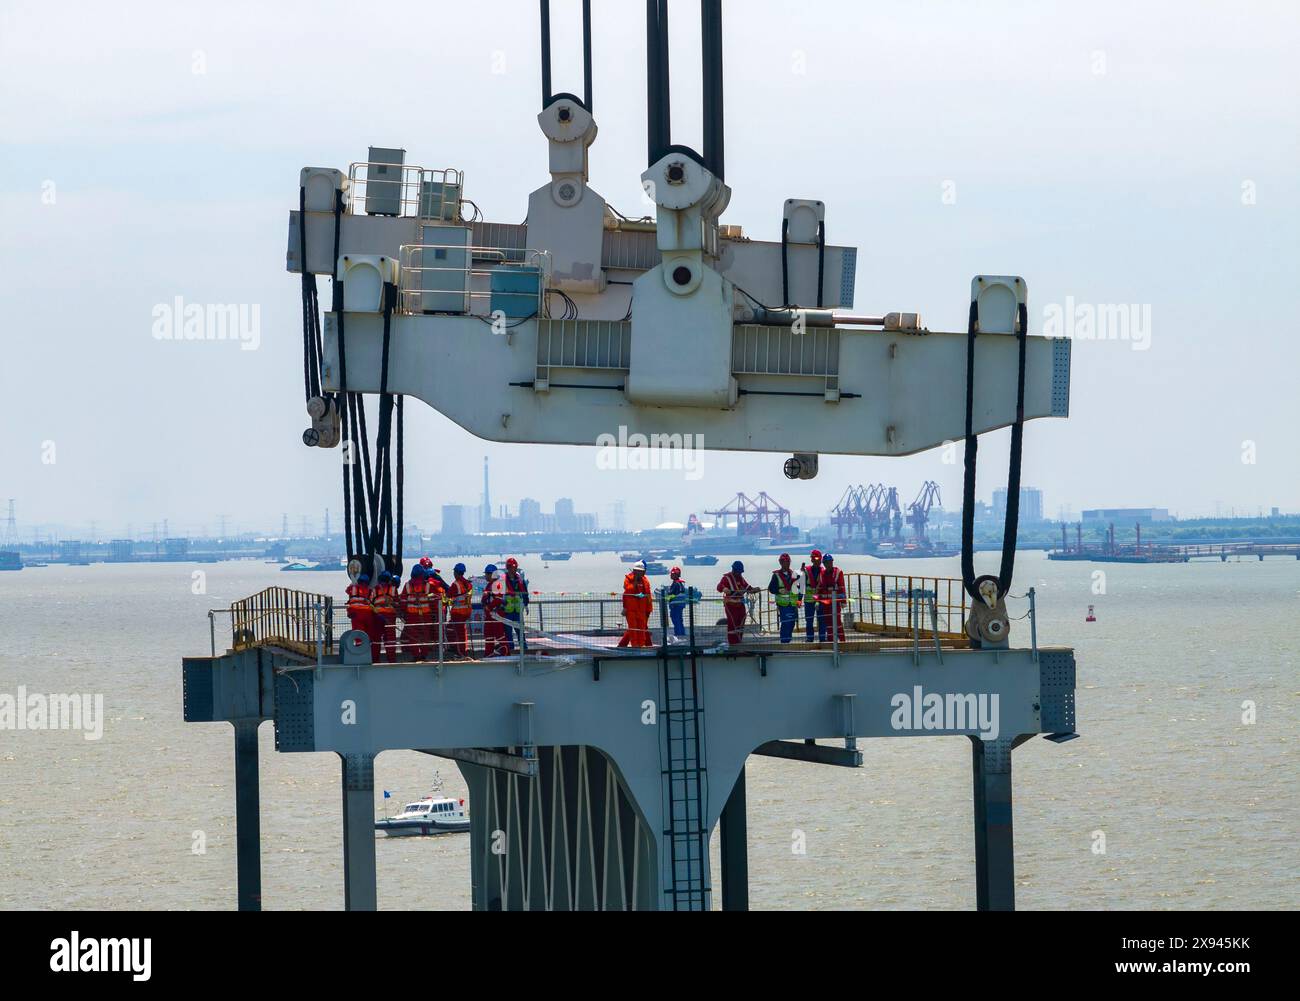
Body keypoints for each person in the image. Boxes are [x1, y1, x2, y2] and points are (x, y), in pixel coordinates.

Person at [717, 560, 757, 646]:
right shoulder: (726, 578)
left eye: (740, 572)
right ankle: (733, 643)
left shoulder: (741, 578)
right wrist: (724, 589)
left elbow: (748, 587)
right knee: (733, 624)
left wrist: (754, 590)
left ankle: (739, 641)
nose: (740, 574)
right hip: (730, 605)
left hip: (740, 605)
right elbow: (719, 586)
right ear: (734, 570)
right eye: (738, 572)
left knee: (741, 622)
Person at [496, 557, 530, 654]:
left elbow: (525, 593)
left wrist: (526, 604)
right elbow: (498, 594)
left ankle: (525, 651)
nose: (513, 569)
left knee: (520, 632)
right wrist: (499, 606)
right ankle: (510, 651)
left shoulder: (520, 580)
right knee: (508, 633)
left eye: (514, 567)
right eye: (511, 567)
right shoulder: (502, 580)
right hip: (507, 611)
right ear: (508, 568)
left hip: (518, 611)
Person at [617, 561, 655, 648]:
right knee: (633, 629)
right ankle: (635, 646)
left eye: (641, 571)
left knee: (642, 629)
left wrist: (649, 608)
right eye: (637, 571)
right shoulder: (628, 579)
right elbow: (628, 590)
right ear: (634, 570)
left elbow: (648, 595)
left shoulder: (645, 581)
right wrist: (634, 581)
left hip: (642, 610)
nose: (639, 573)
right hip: (631, 610)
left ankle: (641, 646)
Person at [768, 553, 802, 643]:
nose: (786, 564)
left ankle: (788, 640)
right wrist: (779, 591)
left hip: (793, 604)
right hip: (783, 604)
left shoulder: (794, 574)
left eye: (788, 562)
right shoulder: (776, 575)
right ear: (780, 563)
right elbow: (771, 588)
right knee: (786, 622)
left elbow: (800, 588)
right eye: (784, 562)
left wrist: (799, 600)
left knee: (792, 623)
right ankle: (784, 642)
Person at [400, 565, 432, 660]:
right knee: (425, 635)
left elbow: (403, 601)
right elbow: (434, 598)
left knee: (413, 636)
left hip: (412, 615)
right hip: (425, 615)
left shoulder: (407, 585)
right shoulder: (427, 585)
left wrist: (403, 613)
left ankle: (416, 655)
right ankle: (424, 655)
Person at [444, 562, 475, 658]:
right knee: (460, 632)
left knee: (456, 632)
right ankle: (460, 650)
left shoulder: (456, 584)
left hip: (458, 613)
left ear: (456, 573)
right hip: (467, 612)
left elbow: (448, 595)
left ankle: (460, 652)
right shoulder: (469, 584)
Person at [816, 553, 847, 643]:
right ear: (824, 564)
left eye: (829, 562)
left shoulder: (838, 572)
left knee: (837, 622)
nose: (828, 564)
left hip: (835, 602)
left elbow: (842, 587)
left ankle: (842, 641)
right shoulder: (822, 573)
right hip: (825, 603)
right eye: (826, 563)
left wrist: (843, 602)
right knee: (828, 623)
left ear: (832, 562)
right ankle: (831, 642)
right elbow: (820, 588)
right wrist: (817, 601)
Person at [346, 572, 378, 659]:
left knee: (358, 634)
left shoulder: (353, 588)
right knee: (369, 634)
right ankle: (369, 653)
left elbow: (347, 590)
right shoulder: (369, 590)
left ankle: (359, 653)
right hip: (367, 614)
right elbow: (372, 601)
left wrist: (353, 583)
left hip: (355, 614)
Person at [481, 563, 510, 657]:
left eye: (486, 574)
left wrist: (488, 607)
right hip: (490, 615)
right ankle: (488, 654)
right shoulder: (490, 585)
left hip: (496, 615)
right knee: (488, 636)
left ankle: (506, 653)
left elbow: (498, 599)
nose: (485, 576)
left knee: (499, 635)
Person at [371, 570, 400, 662]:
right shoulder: (393, 589)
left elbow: (370, 602)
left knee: (376, 638)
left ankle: (375, 659)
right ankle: (391, 659)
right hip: (390, 616)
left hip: (378, 615)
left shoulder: (375, 589)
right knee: (390, 638)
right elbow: (397, 602)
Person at [801, 549, 827, 642]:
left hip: (820, 600)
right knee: (809, 621)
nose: (816, 560)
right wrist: (799, 600)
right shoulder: (806, 571)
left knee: (822, 621)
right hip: (809, 601)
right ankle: (810, 638)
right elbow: (801, 586)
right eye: (814, 558)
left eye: (818, 558)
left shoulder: (823, 571)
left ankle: (822, 638)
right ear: (811, 560)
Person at [663, 566, 689, 640]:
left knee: (675, 619)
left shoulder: (675, 584)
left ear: (676, 574)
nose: (671, 575)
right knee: (679, 620)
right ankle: (681, 634)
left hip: (675, 605)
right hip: (680, 605)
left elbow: (671, 594)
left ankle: (678, 635)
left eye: (672, 574)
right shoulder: (680, 583)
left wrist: (666, 594)